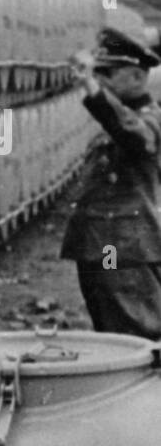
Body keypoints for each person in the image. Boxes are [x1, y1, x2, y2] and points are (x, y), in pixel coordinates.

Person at [61, 27, 161, 338]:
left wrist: (92, 89)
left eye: (107, 72)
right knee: (112, 333)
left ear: (136, 77)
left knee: (135, 336)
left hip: (121, 249)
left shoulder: (148, 119)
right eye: (98, 71)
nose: (99, 78)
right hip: (100, 245)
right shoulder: (121, 119)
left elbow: (133, 135)